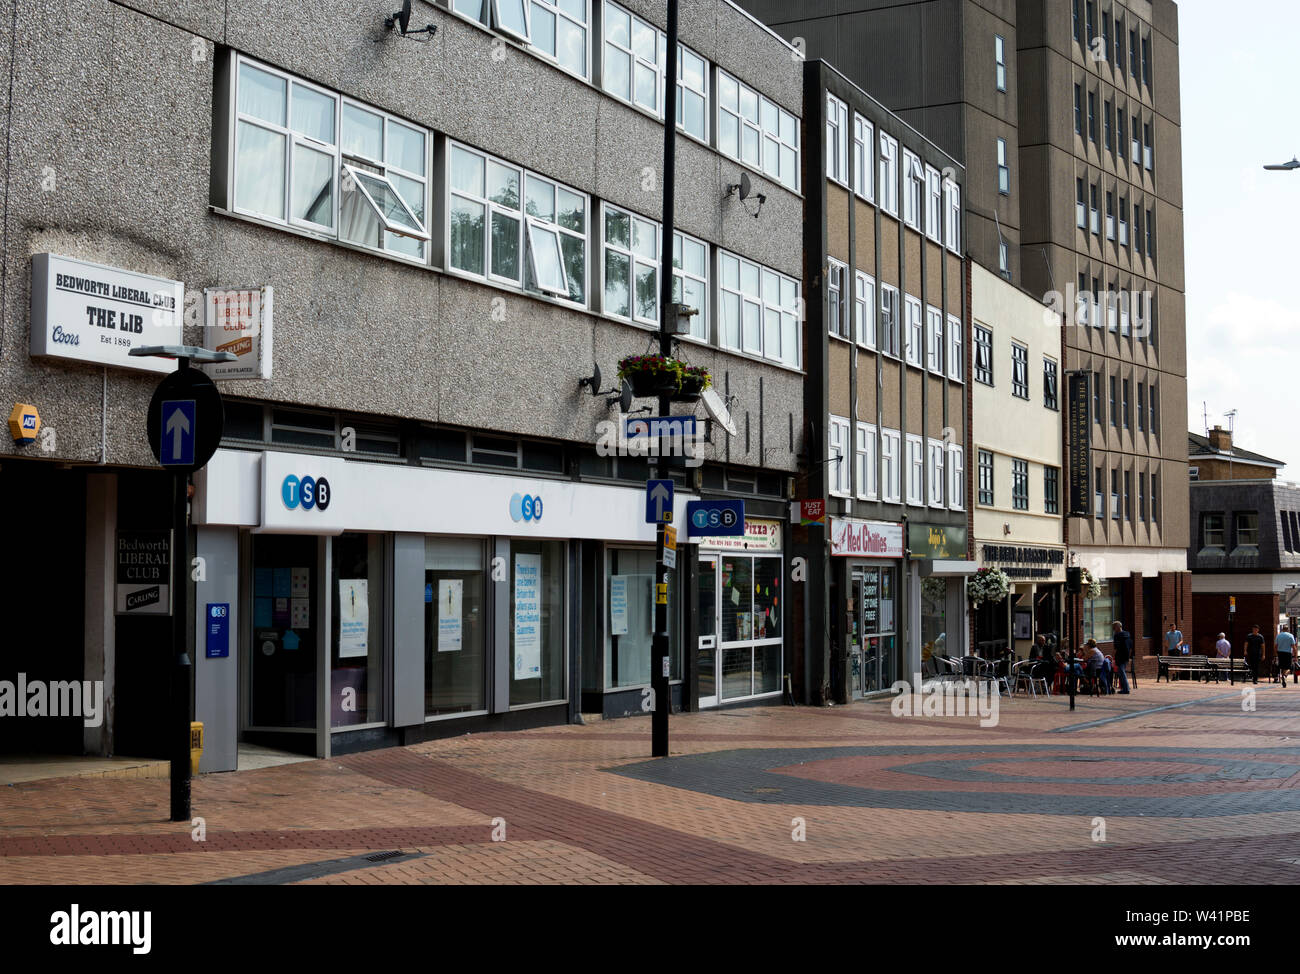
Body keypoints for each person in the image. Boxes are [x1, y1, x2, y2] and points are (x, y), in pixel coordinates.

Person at [1111, 620, 1132, 694]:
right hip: (1126, 656)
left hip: (1119, 656)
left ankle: (1126, 689)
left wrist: (1112, 657)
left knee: (1121, 672)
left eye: (1114, 627)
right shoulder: (1127, 634)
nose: (1113, 629)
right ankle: (1125, 688)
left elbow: (1115, 648)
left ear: (1118, 627)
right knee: (1122, 672)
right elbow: (1130, 647)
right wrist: (1128, 657)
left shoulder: (1117, 636)